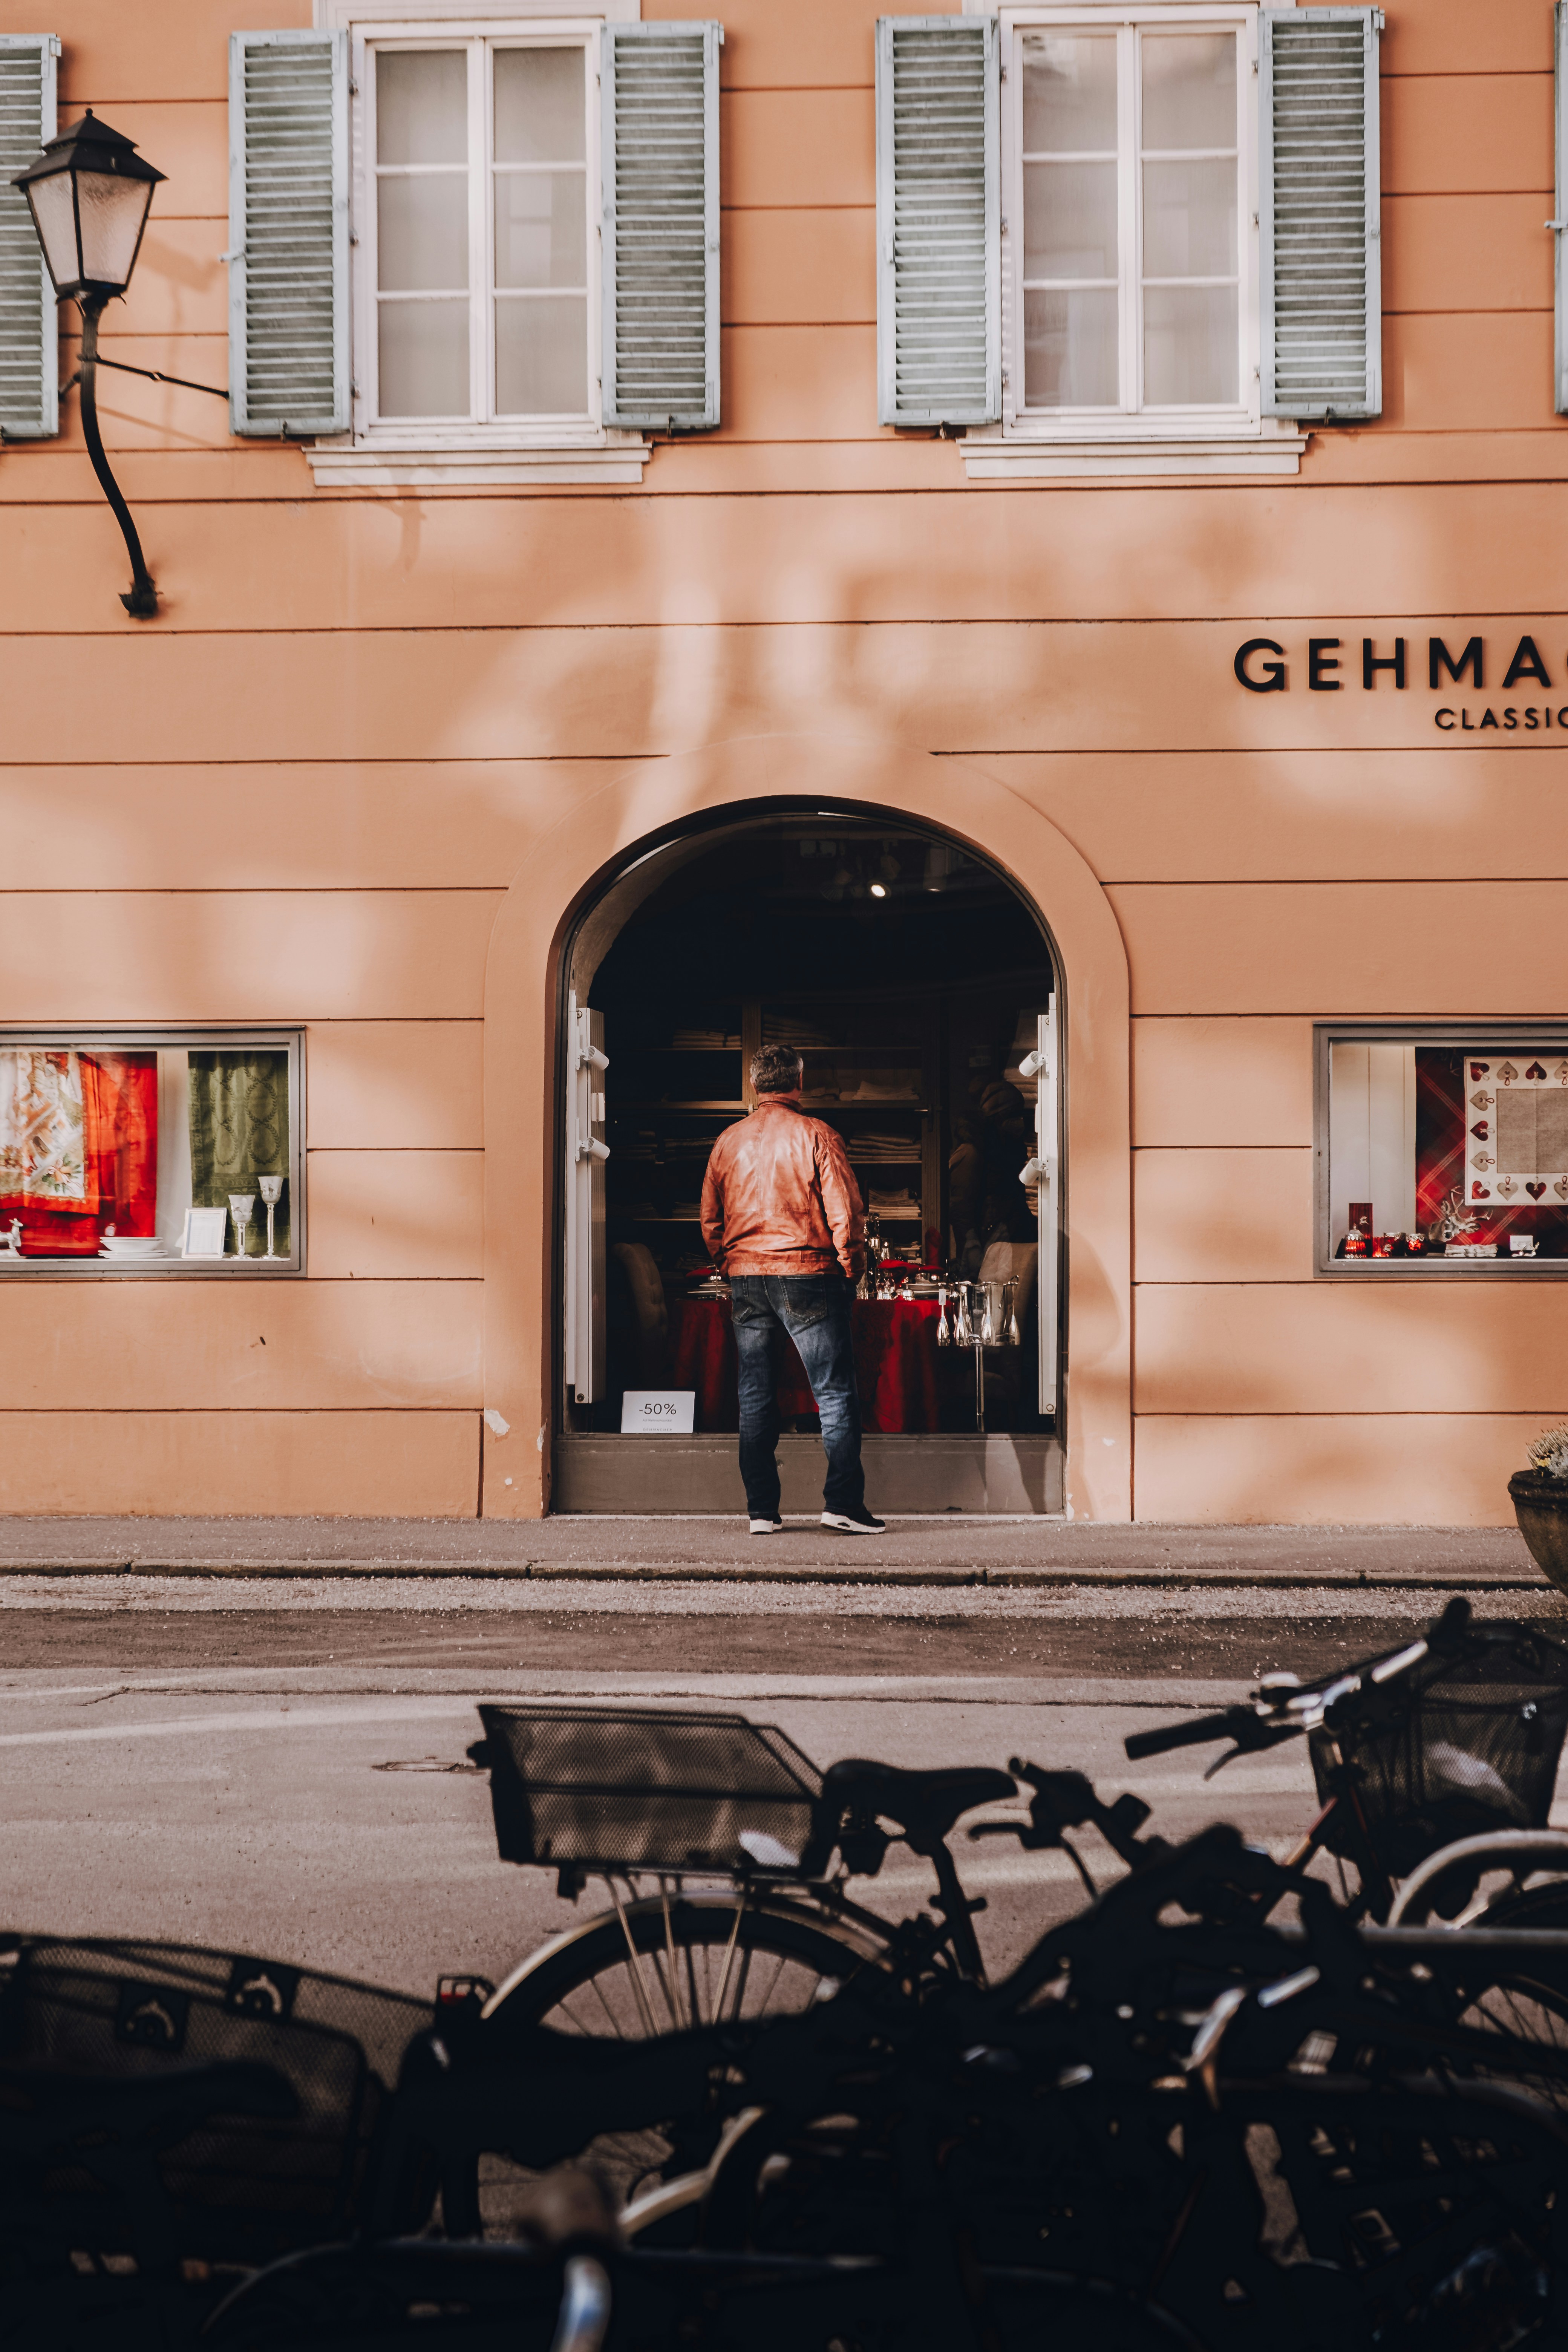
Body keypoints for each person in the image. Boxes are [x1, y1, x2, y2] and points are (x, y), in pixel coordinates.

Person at [699, 1044, 885, 1535]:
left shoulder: (728, 1140)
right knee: (835, 1393)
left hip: (748, 1276)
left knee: (755, 1394)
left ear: (755, 1085)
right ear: (798, 1083)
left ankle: (762, 1512)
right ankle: (842, 1505)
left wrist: (730, 1260)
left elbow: (710, 1219)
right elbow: (845, 1211)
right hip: (810, 1273)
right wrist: (852, 1266)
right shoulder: (818, 1135)